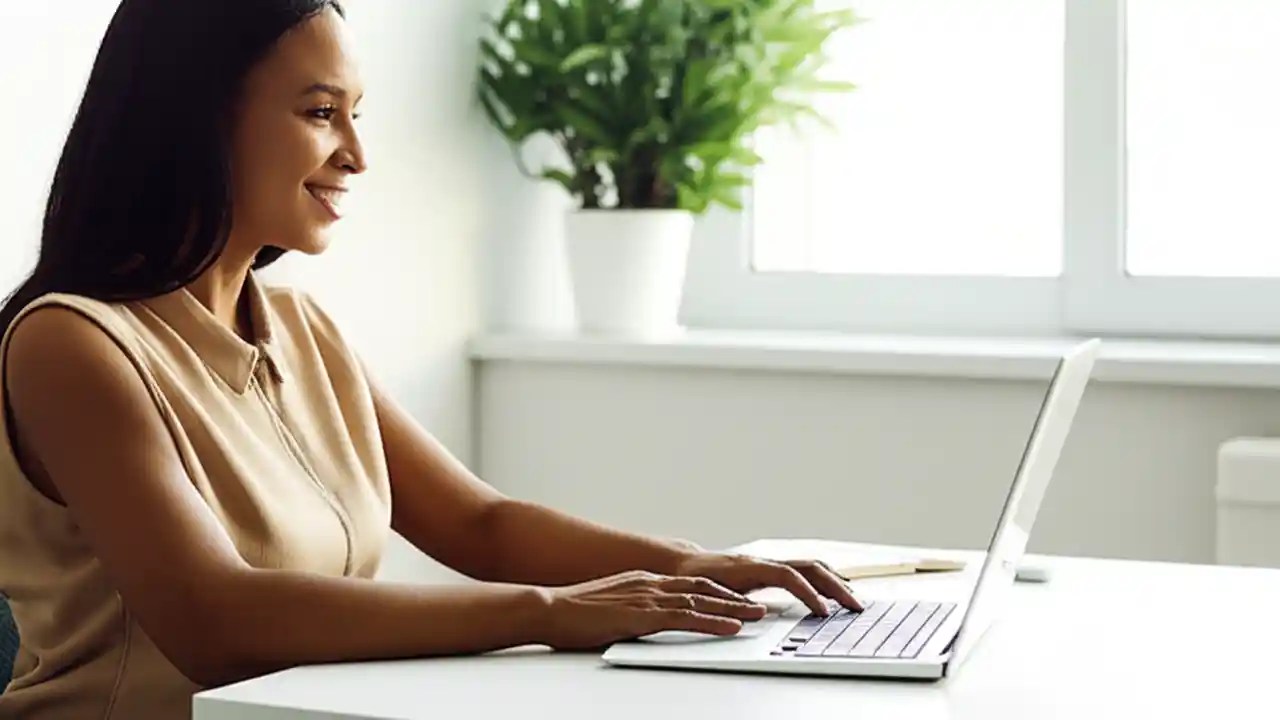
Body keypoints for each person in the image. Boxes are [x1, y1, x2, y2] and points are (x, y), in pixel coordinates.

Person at [0, 2, 861, 718]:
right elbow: (212, 617)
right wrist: (553, 613)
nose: (356, 155)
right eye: (319, 111)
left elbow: (477, 523)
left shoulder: (303, 327)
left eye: (355, 114)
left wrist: (684, 565)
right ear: (196, 118)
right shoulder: (70, 344)